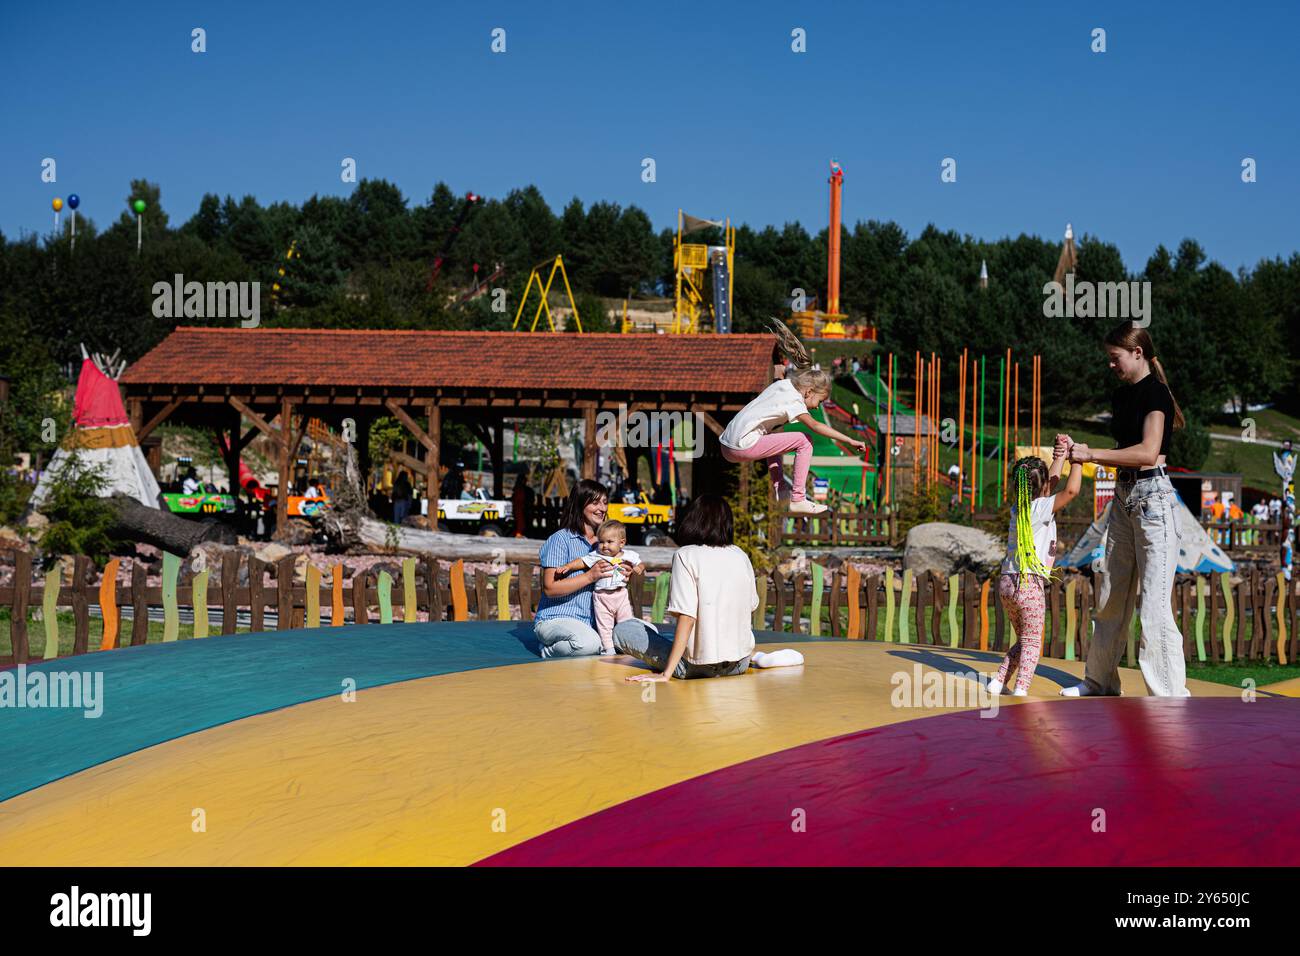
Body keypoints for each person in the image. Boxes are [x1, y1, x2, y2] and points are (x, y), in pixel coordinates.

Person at [1059, 322, 1191, 698]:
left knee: (1153, 604)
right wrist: (1082, 451)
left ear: (1137, 353)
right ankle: (1099, 681)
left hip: (1153, 502)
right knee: (1111, 598)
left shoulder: (1157, 394)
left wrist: (1092, 454)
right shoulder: (1122, 397)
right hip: (1123, 500)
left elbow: (1148, 453)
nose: (1110, 365)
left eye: (1114, 358)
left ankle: (1168, 695)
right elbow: (1123, 452)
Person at [615, 495, 803, 682]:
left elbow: (687, 617)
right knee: (668, 635)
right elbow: (751, 606)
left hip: (696, 668)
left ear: (693, 520)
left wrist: (666, 674)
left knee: (625, 629)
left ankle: (670, 650)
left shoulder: (685, 555)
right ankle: (756, 656)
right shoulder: (740, 555)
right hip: (739, 664)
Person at [987, 445, 1081, 697]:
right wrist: (1078, 461)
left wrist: (1060, 456)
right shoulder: (1041, 508)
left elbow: (1048, 486)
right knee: (1031, 642)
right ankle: (1021, 688)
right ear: (1043, 488)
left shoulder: (1018, 509)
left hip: (1008, 583)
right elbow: (1071, 490)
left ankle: (998, 681)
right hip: (1028, 584)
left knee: (1024, 640)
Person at [719, 366, 866, 516]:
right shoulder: (795, 402)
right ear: (809, 392)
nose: (817, 407)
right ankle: (798, 498)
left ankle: (780, 489)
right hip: (741, 446)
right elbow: (815, 425)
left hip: (726, 444)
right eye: (820, 401)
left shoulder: (782, 385)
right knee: (805, 440)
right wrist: (849, 440)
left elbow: (778, 375)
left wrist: (778, 370)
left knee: (772, 441)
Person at [533, 479, 644, 658]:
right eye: (595, 502)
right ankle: (549, 651)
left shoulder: (607, 544)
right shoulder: (560, 539)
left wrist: (627, 573)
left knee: (645, 632)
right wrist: (590, 576)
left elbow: (629, 573)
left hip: (596, 623)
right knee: (587, 644)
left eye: (605, 502)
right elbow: (549, 588)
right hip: (556, 619)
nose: (602, 508)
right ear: (579, 504)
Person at [554, 519, 640, 655]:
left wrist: (637, 569)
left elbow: (640, 564)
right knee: (604, 625)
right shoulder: (597, 555)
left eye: (609, 542)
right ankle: (609, 648)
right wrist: (568, 566)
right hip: (602, 596)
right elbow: (582, 561)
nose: (604, 546)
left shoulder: (629, 555)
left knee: (626, 622)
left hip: (620, 595)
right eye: (601, 542)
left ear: (622, 542)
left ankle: (627, 646)